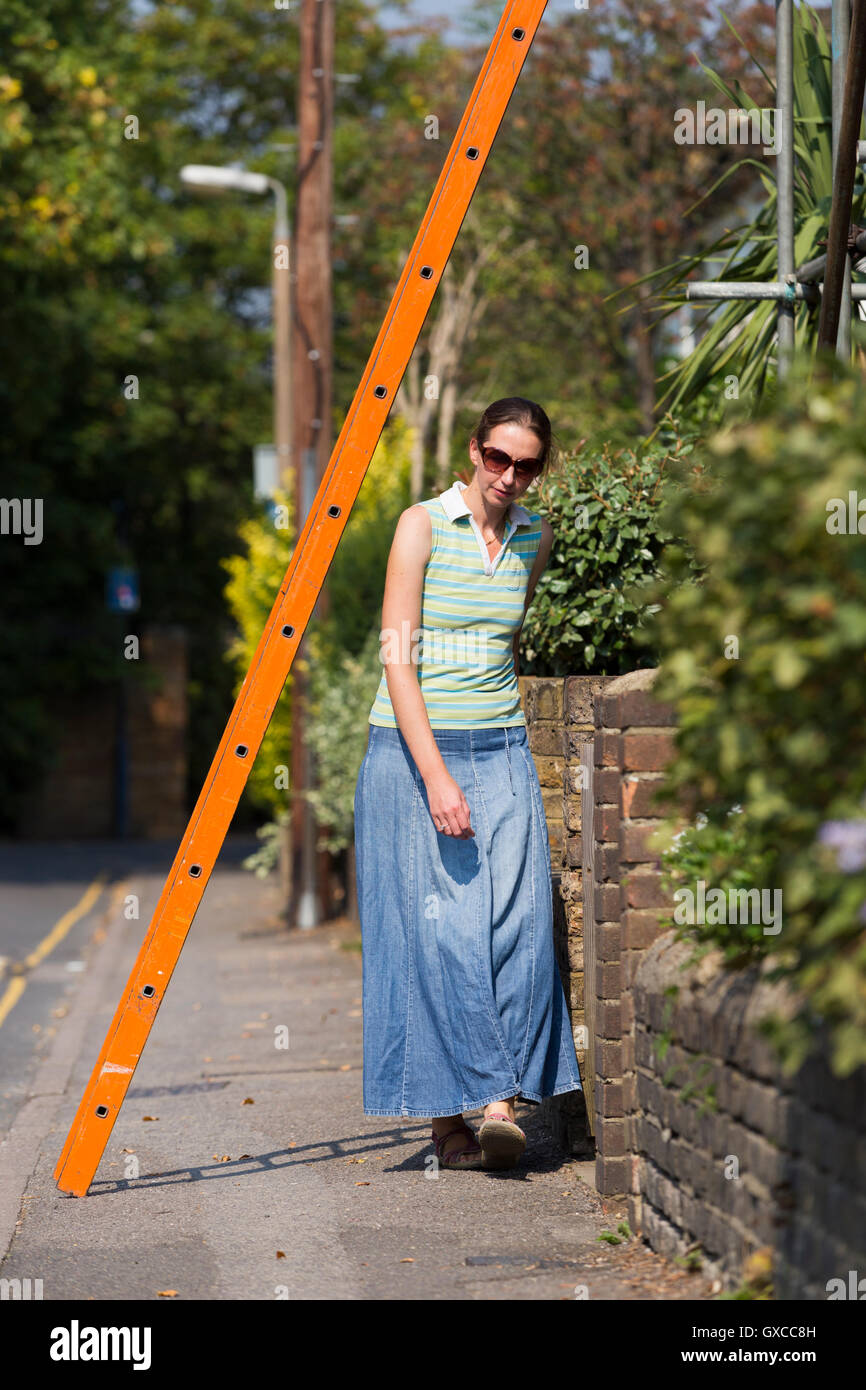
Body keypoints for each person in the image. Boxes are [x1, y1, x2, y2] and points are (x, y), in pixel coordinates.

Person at [353, 396, 583, 1171]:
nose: (509, 476)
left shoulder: (532, 537)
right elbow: (396, 658)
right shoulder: (421, 525)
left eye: (527, 466)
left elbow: (502, 643)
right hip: (414, 752)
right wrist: (437, 777)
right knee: (439, 933)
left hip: (504, 745)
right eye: (498, 458)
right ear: (475, 450)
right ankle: (463, 1119)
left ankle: (494, 1102)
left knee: (519, 927)